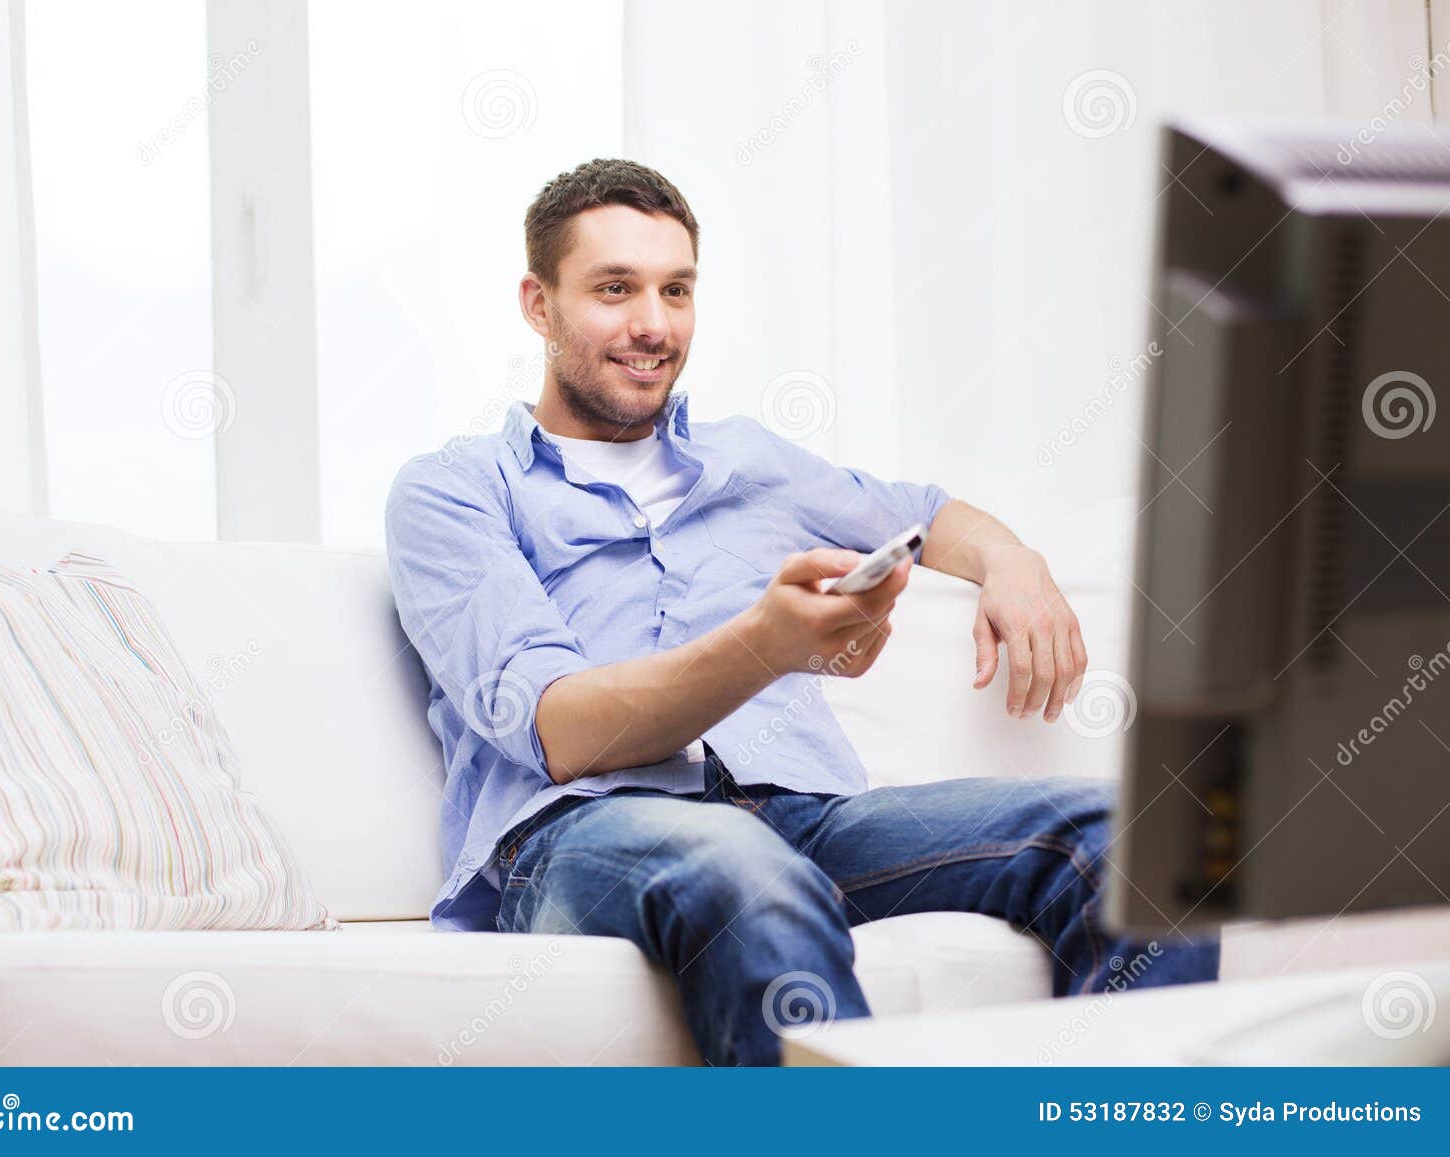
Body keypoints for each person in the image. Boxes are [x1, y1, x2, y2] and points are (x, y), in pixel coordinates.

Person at [384, 158, 1219, 1066]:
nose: (653, 325)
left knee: (1134, 834)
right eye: (614, 289)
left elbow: (929, 513)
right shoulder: (454, 492)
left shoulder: (749, 459)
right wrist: (767, 645)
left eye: (677, 289)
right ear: (538, 304)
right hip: (585, 830)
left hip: (809, 816)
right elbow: (557, 729)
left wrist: (1012, 560)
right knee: (743, 869)